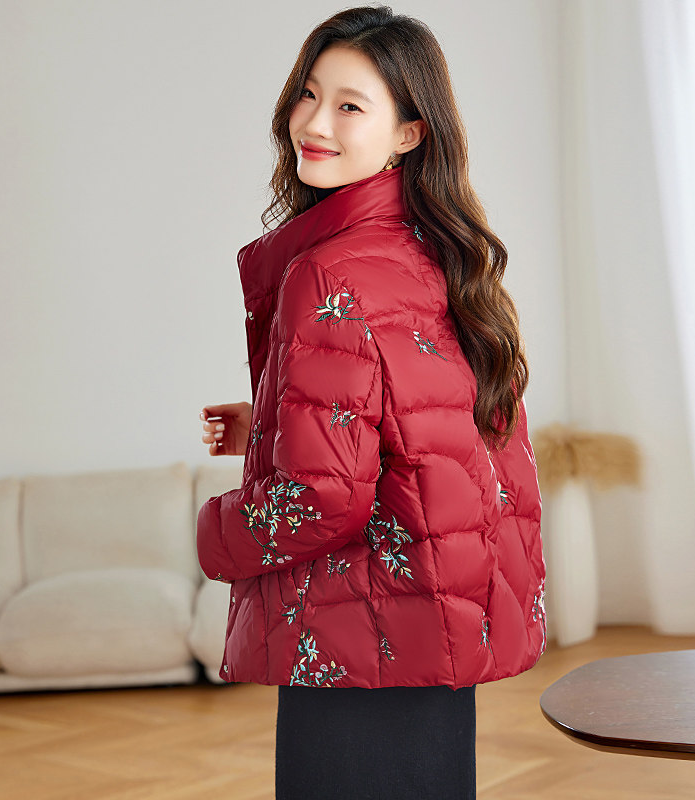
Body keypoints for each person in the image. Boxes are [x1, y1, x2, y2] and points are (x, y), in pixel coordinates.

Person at [196, 6, 545, 799]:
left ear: (408, 133)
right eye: (308, 94)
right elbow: (433, 419)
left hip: (356, 629)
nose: (314, 123)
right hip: (434, 622)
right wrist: (278, 423)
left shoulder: (327, 270)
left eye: (350, 105)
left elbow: (322, 498)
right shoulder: (434, 249)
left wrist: (211, 533)